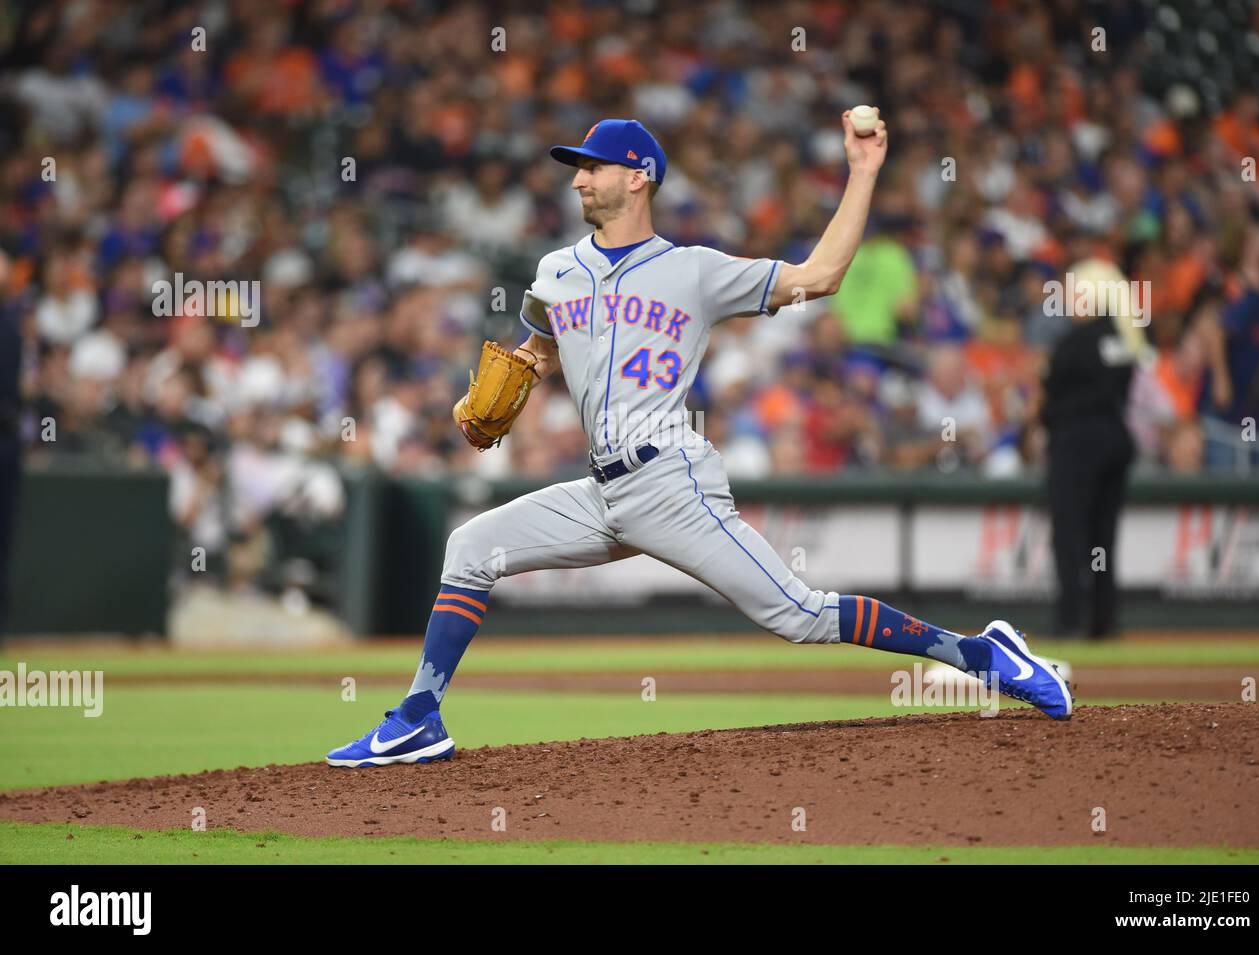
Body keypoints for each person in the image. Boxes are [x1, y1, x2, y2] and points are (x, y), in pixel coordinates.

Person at [326, 113, 1073, 768]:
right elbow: (540, 345)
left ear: (639, 177)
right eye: (576, 168)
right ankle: (419, 718)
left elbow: (824, 275)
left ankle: (983, 653)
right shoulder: (557, 269)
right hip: (601, 489)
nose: (578, 180)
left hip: (671, 483)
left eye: (592, 167)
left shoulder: (696, 272)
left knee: (801, 616)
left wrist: (863, 170)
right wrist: (516, 372)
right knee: (468, 548)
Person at [1041, 259, 1145, 639]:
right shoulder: (1123, 339)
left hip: (1076, 442)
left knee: (1069, 534)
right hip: (1116, 440)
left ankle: (1070, 620)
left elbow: (1050, 403)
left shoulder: (1072, 343)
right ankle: (1104, 620)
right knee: (1104, 537)